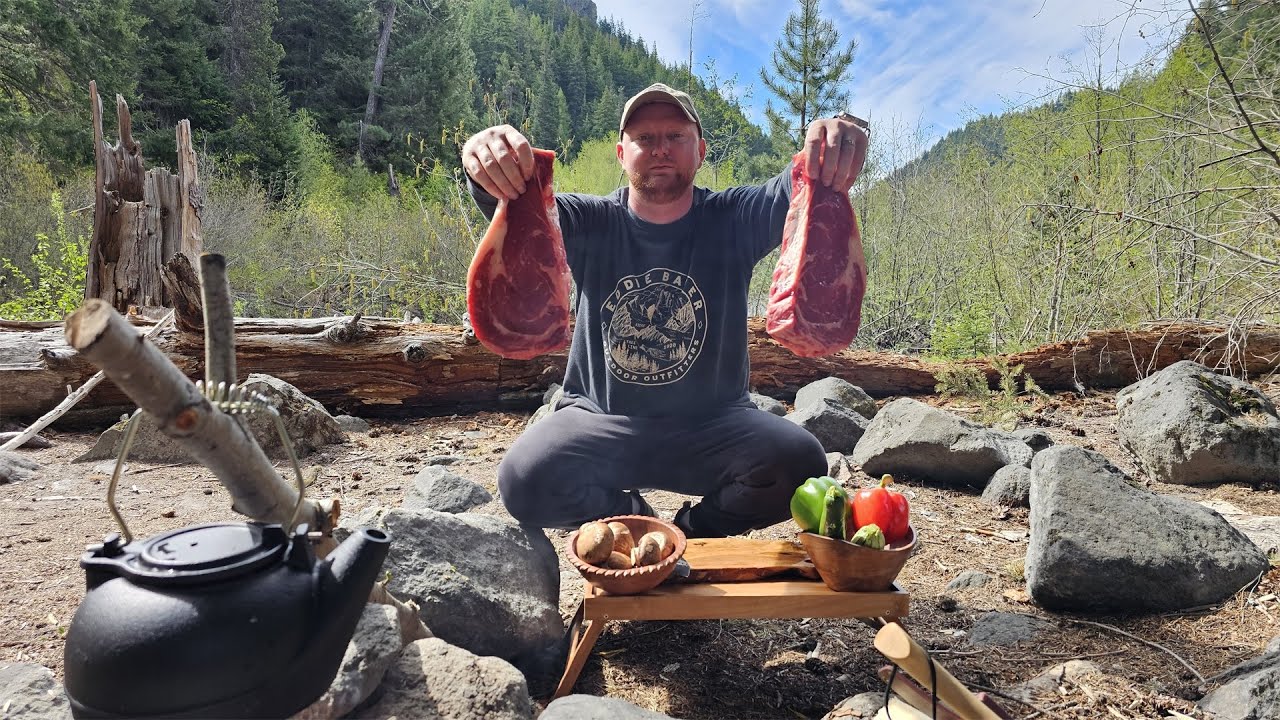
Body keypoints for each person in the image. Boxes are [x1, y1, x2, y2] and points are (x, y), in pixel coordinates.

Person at [461, 82, 869, 538]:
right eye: (645, 138)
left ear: (701, 151)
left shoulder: (733, 218)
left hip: (713, 427)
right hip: (599, 420)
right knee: (522, 479)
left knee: (801, 461)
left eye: (675, 136)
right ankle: (635, 515)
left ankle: (697, 529)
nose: (660, 149)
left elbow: (797, 187)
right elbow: (524, 204)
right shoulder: (592, 220)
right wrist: (486, 163)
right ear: (622, 154)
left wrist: (838, 139)